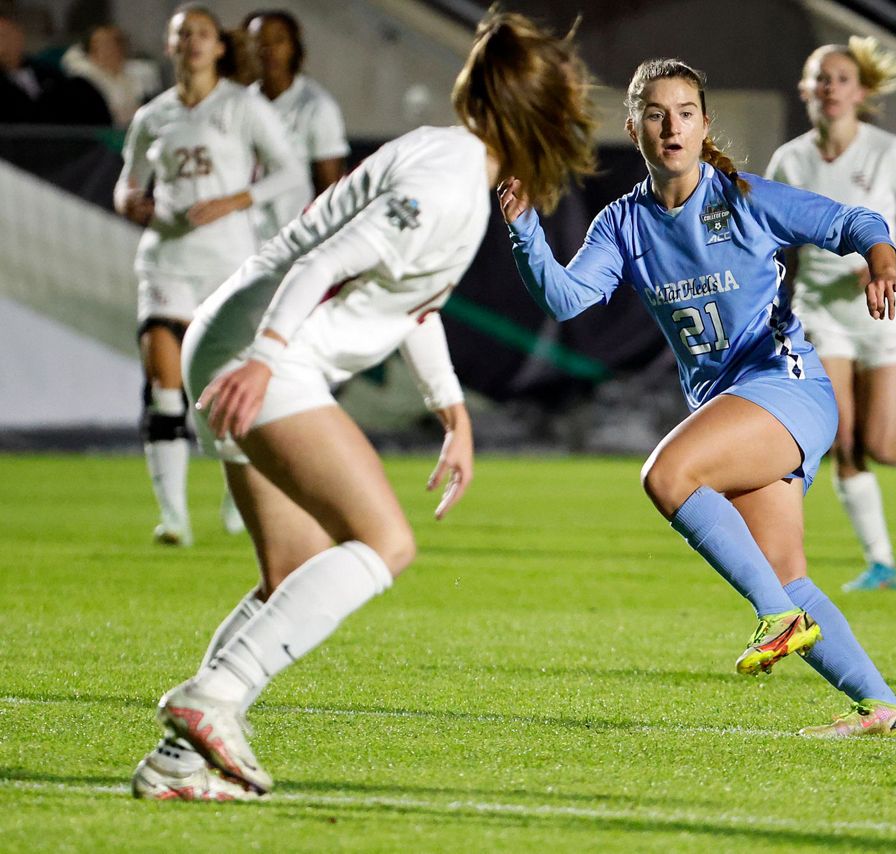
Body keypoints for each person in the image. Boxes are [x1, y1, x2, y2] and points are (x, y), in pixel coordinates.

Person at [130, 8, 597, 800]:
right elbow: (325, 263)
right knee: (385, 540)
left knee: (295, 571)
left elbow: (409, 304)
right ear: (536, 116)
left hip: (243, 336)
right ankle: (214, 697)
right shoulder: (448, 180)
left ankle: (180, 760)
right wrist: (265, 359)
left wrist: (452, 411)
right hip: (265, 346)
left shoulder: (447, 159)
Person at [501, 58, 896, 740]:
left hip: (786, 386)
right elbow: (568, 299)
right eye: (656, 115)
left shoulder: (743, 198)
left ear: (703, 125)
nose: (672, 126)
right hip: (736, 408)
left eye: (685, 113)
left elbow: (854, 220)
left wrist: (882, 262)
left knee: (667, 474)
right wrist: (525, 230)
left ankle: (777, 621)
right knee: (785, 575)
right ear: (633, 129)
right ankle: (883, 707)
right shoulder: (623, 223)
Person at [764, 37, 896, 592]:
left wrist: (889, 265)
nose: (830, 87)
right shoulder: (790, 159)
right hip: (820, 310)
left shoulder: (890, 153)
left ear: (861, 92)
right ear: (805, 89)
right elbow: (769, 236)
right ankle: (881, 563)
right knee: (843, 439)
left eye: (841, 78)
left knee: (880, 441)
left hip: (886, 309)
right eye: (820, 77)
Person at [113, 4, 306, 547]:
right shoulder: (153, 116)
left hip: (228, 264)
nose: (192, 42)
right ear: (170, 46)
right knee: (164, 390)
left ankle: (237, 496)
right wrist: (130, 202)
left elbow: (290, 170)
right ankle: (173, 518)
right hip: (166, 261)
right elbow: (129, 182)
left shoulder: (242, 106)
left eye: (202, 34)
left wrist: (234, 201)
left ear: (219, 47)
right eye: (183, 35)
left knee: (228, 392)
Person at [242, 9, 350, 241]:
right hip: (241, 240)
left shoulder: (316, 106)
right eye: (258, 41)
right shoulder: (239, 103)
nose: (268, 49)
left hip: (292, 241)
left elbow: (330, 188)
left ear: (293, 46)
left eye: (278, 40)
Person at [60, 24, 145, 127]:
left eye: (115, 44)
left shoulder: (133, 75)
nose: (110, 50)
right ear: (91, 51)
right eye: (102, 45)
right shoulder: (84, 79)